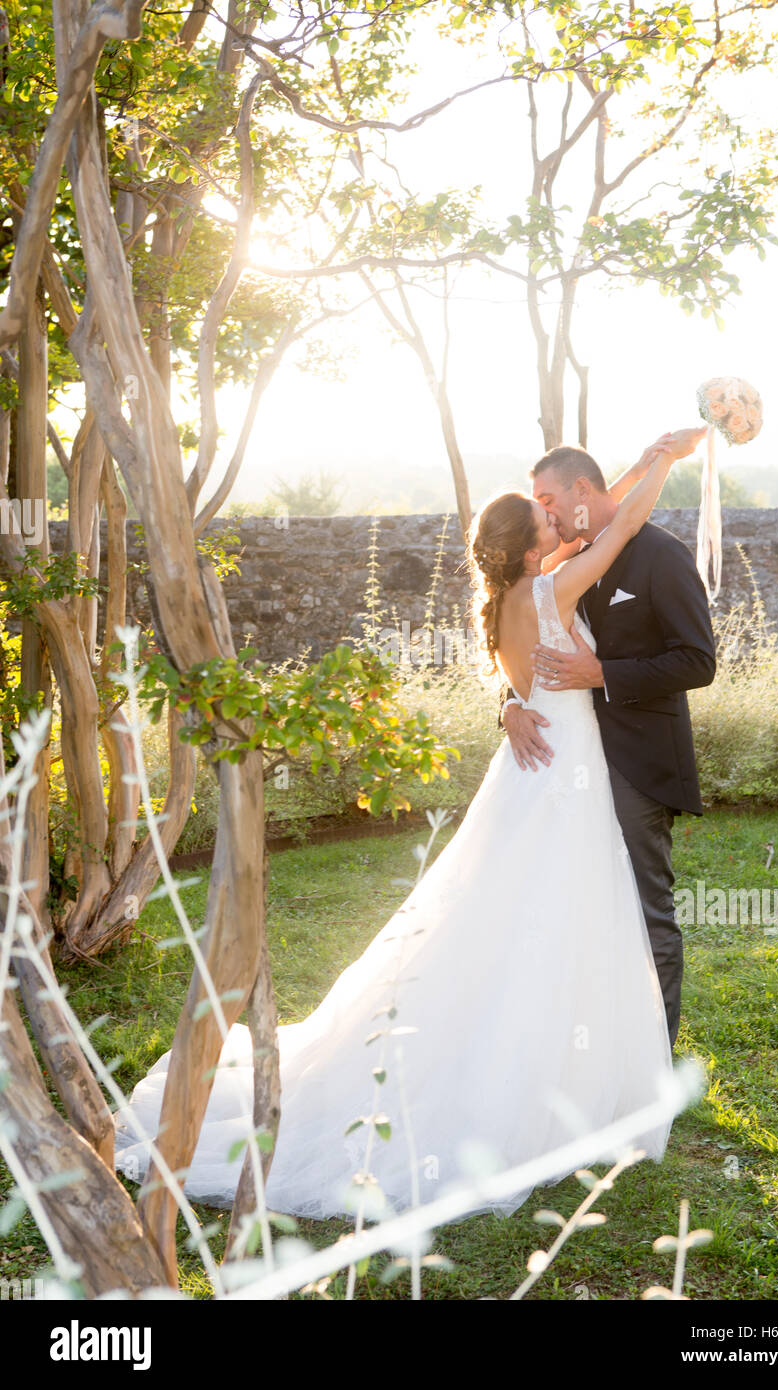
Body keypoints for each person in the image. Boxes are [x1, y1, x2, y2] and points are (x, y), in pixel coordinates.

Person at [114, 426, 705, 1223]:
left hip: (541, 779)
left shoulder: (503, 604)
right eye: (541, 518)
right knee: (565, 918)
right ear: (533, 547)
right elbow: (624, 522)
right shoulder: (549, 593)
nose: (552, 520)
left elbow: (603, 513)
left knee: (521, 918)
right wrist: (665, 460)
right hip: (563, 781)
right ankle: (564, 1075)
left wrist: (643, 459)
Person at [501, 441, 717, 1049]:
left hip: (637, 765)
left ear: (580, 493)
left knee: (647, 911)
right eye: (536, 506)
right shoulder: (559, 568)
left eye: (547, 499)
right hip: (566, 763)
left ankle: (654, 1054)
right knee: (579, 904)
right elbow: (523, 658)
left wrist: (604, 676)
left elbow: (698, 661)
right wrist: (510, 705)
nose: (543, 512)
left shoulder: (660, 556)